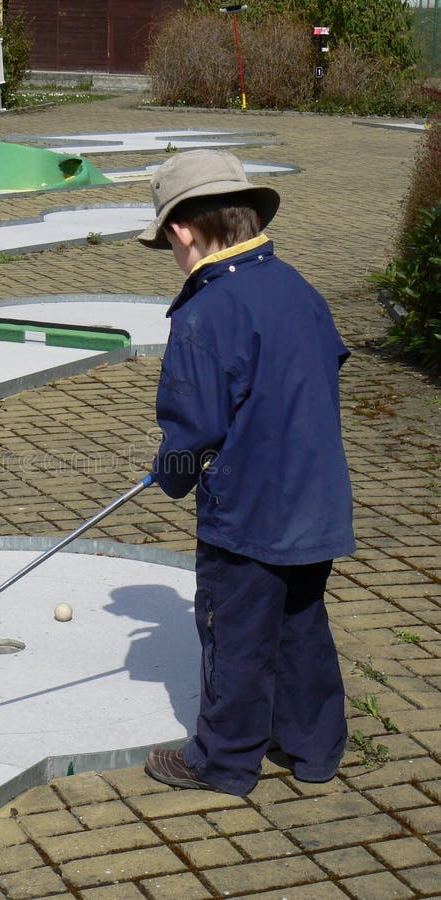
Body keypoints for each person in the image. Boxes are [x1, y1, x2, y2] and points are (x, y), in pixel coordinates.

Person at [138, 149, 355, 798]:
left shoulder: (205, 312)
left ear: (182, 230)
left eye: (168, 244)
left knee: (233, 634)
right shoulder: (298, 289)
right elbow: (322, 369)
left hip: (248, 515)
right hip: (315, 500)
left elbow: (193, 427)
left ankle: (223, 761)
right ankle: (313, 750)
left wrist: (169, 473)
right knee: (299, 624)